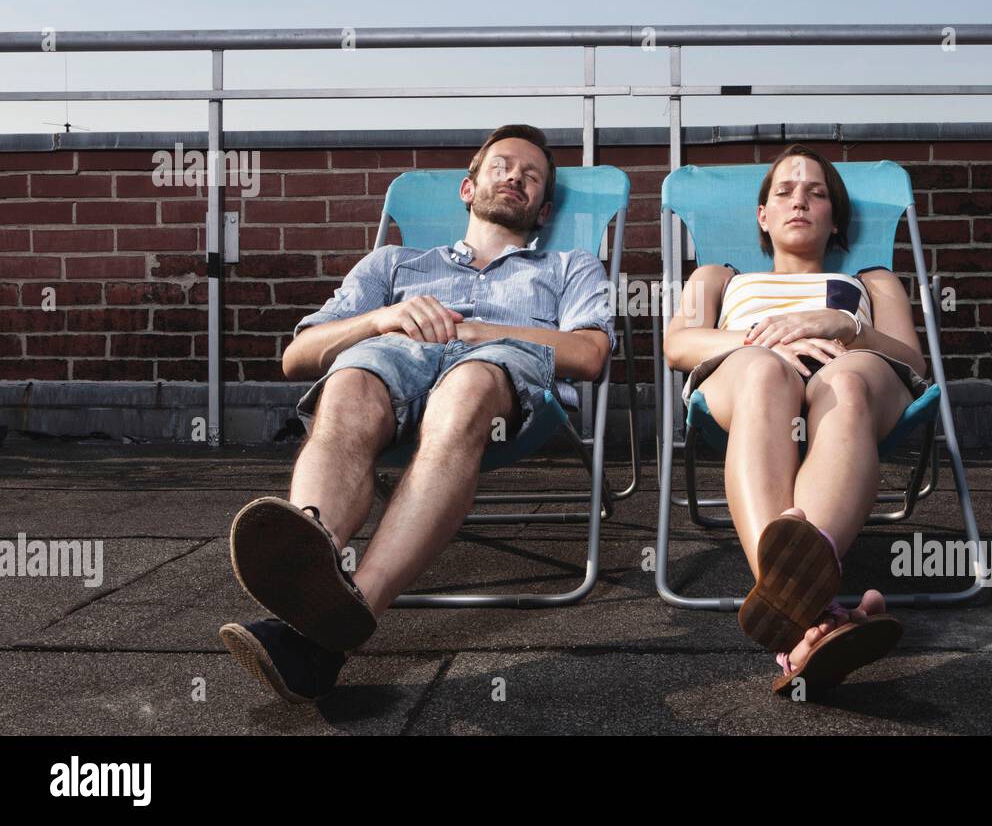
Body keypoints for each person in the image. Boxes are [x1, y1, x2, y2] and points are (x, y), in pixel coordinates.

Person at [219, 124, 615, 703]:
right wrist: (379, 320)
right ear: (467, 188)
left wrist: (478, 332)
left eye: (531, 176)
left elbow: (591, 353)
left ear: (544, 207)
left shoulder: (568, 265)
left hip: (498, 375)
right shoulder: (394, 262)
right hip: (395, 360)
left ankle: (358, 601)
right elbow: (298, 356)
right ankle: (314, 562)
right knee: (350, 381)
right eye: (502, 166)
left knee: (467, 387)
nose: (515, 177)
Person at [663, 145, 930, 695]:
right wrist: (763, 341)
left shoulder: (873, 280)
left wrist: (845, 326)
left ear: (836, 219)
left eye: (816, 193)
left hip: (854, 374)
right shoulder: (720, 277)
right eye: (784, 192)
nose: (799, 201)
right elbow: (678, 344)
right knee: (764, 372)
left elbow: (912, 360)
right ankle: (816, 611)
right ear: (763, 216)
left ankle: (796, 615)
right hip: (749, 377)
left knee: (847, 378)